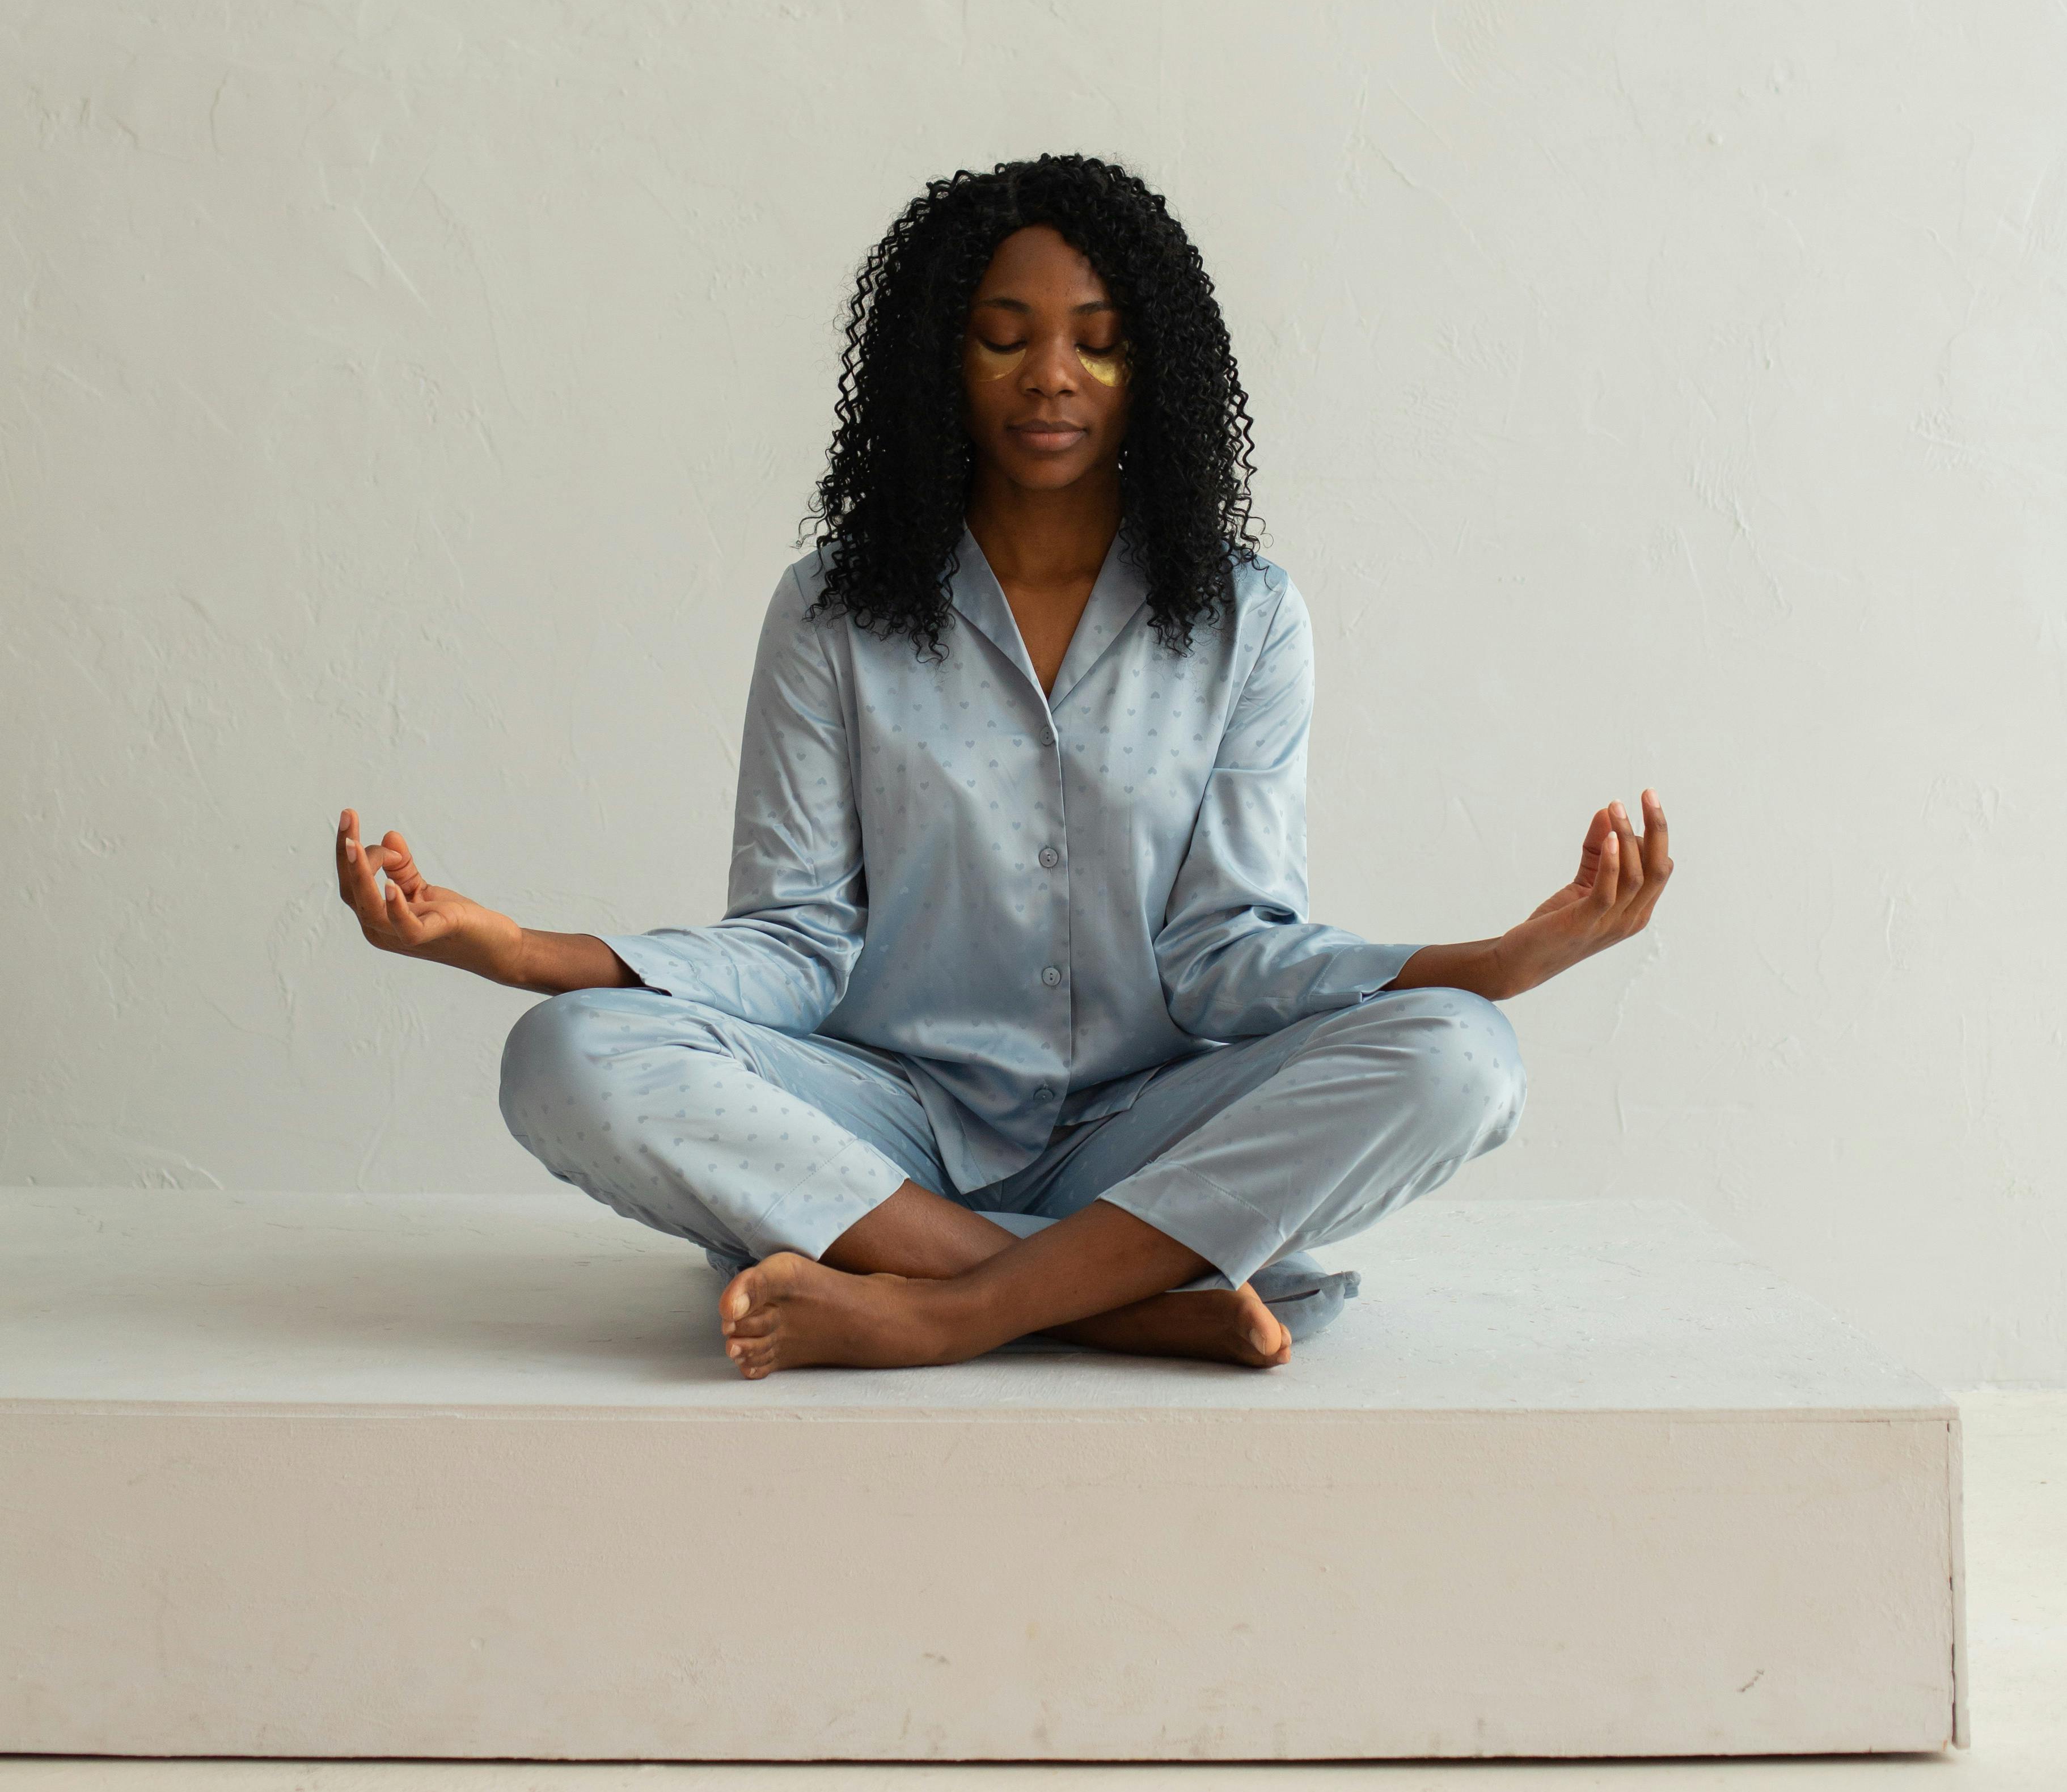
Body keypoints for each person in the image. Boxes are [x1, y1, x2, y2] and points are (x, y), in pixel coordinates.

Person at [335, 154, 1671, 1378]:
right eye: (1003, 336)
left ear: (1152, 366)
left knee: (1463, 1055)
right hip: (883, 1133)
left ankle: (937, 1308)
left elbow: (1228, 953)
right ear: (942, 358)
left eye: (1097, 340)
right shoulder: (831, 612)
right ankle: (1115, 1303)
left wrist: (1495, 962)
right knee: (565, 1050)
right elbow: (795, 943)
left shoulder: (1247, 618)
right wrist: (518, 949)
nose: (1050, 376)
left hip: (1144, 1133)